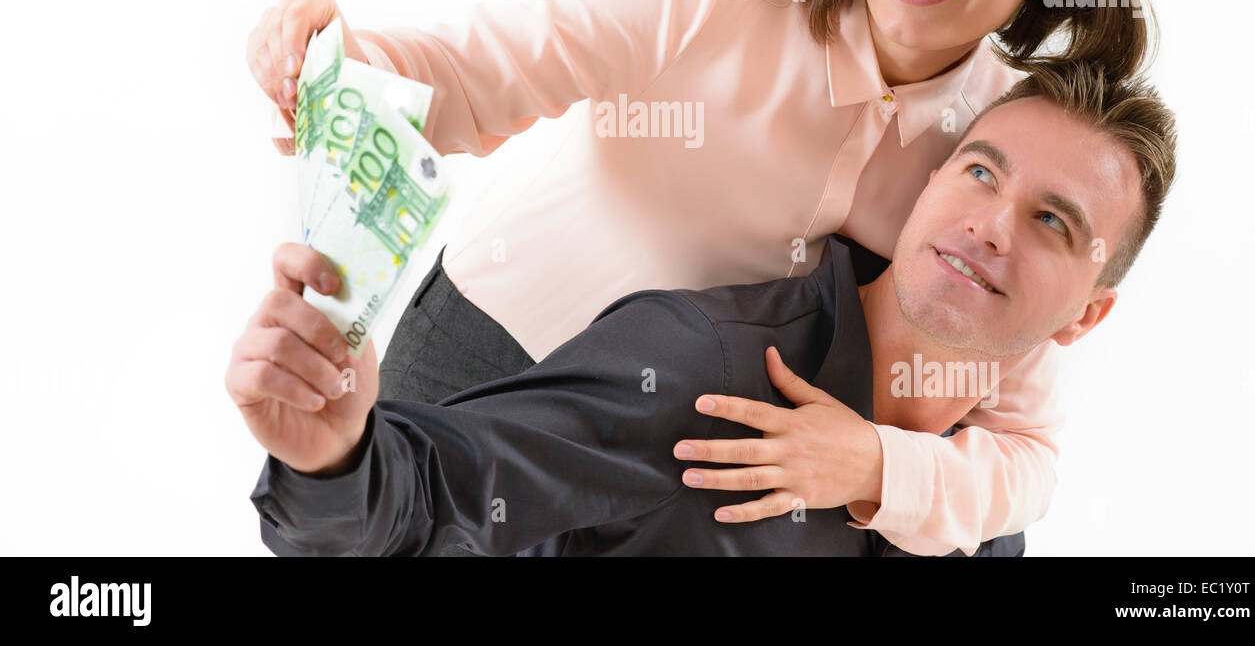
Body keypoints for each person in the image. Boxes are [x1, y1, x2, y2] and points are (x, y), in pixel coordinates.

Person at [244, 0, 1153, 554]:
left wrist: (880, 464)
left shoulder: (998, 152)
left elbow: (1021, 446)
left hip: (708, 442)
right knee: (378, 518)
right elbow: (474, 73)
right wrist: (334, 60)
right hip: (494, 351)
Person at [230, 60, 1178, 556]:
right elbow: (445, 492)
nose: (989, 226)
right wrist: (332, 459)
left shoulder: (984, 516)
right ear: (924, 192)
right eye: (979, 172)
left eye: (1053, 221)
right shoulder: (702, 368)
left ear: (1084, 319)